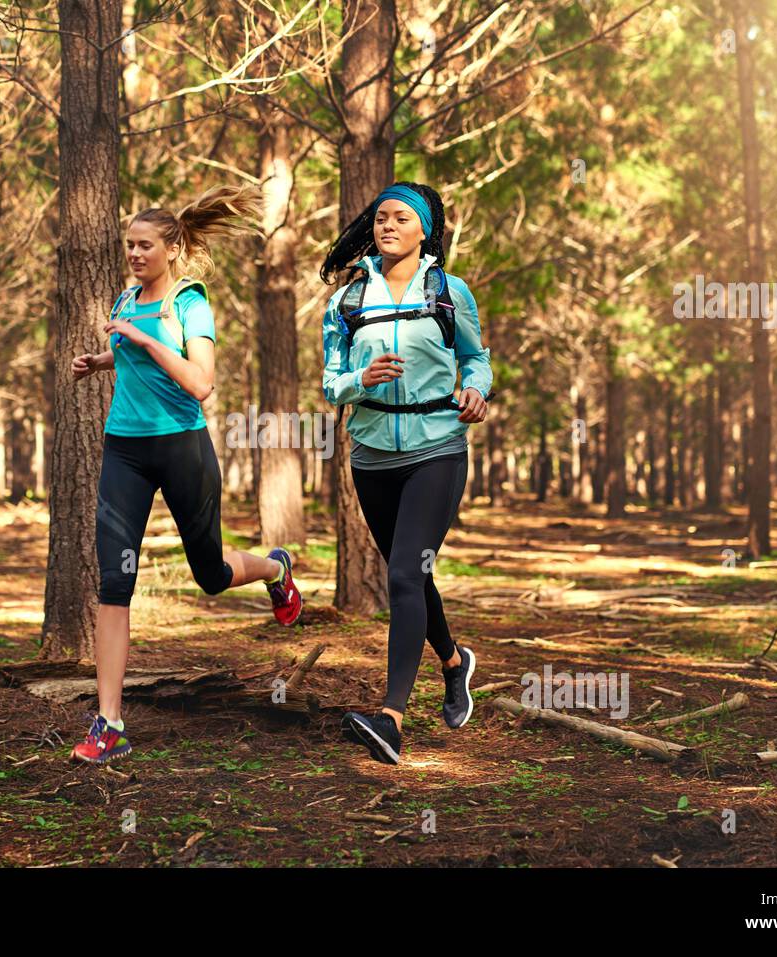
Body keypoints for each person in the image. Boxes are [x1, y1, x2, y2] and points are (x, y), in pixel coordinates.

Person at [69, 185, 303, 764]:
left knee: (209, 573)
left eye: (144, 245)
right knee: (113, 586)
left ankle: (276, 568)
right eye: (128, 245)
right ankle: (110, 724)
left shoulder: (189, 303)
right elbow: (136, 361)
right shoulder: (127, 299)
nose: (133, 254)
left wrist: (145, 340)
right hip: (124, 451)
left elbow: (201, 382)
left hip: (181, 450)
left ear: (171, 249)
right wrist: (103, 360)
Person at [320, 181, 493, 765]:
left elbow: (477, 358)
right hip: (371, 454)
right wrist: (357, 383)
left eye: (400, 218)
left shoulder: (449, 292)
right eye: (380, 218)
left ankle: (390, 719)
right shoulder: (347, 301)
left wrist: (474, 391)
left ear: (425, 230)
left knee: (401, 575)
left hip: (437, 448)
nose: (386, 226)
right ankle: (453, 662)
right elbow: (329, 379)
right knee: (411, 574)